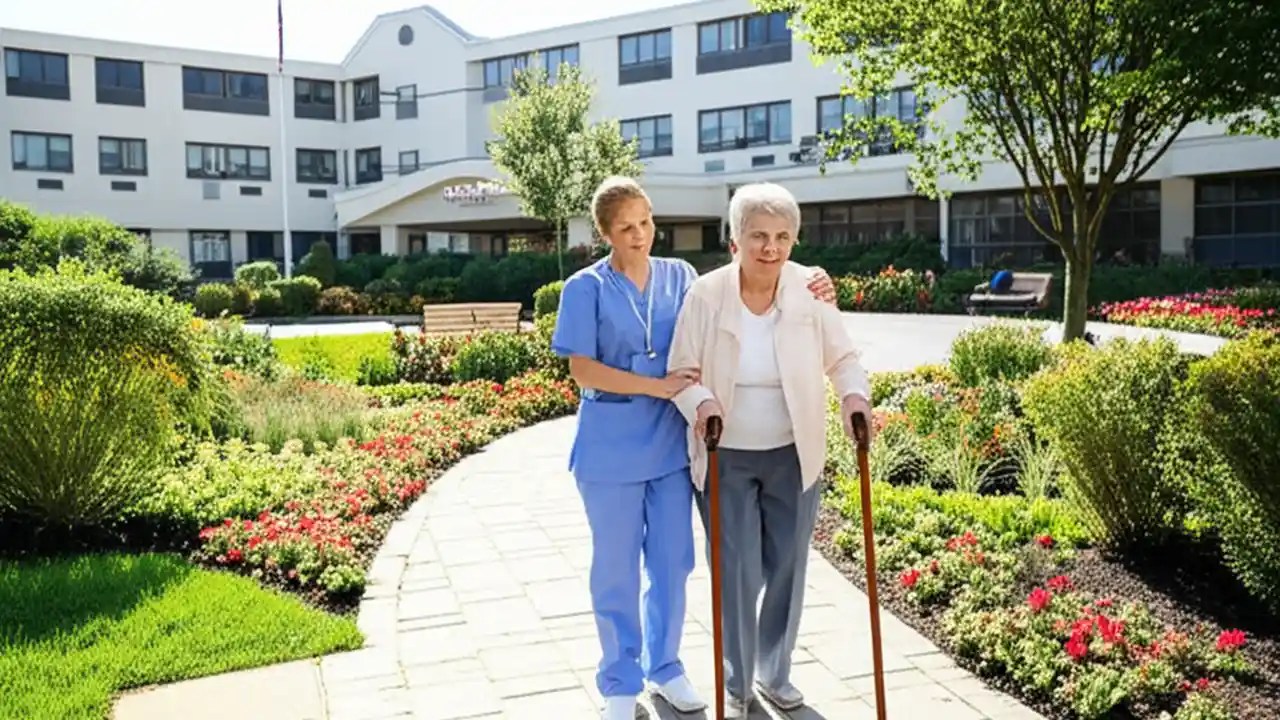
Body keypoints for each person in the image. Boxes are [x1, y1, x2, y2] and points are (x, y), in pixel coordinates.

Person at [551, 176, 838, 720]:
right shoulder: (584, 289)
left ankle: (666, 669)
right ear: (605, 233)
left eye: (646, 221)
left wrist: (811, 279)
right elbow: (581, 369)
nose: (640, 235)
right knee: (616, 569)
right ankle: (619, 682)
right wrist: (659, 384)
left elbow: (734, 289)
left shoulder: (680, 276)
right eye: (626, 228)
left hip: (668, 447)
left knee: (673, 562)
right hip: (610, 447)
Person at [667, 181, 875, 716]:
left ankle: (774, 672)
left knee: (786, 565)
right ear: (734, 239)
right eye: (758, 235)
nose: (771, 248)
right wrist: (703, 403)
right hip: (726, 453)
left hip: (793, 450)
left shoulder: (810, 289)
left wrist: (854, 395)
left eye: (783, 236)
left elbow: (843, 358)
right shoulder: (706, 295)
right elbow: (681, 372)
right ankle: (736, 683)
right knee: (737, 570)